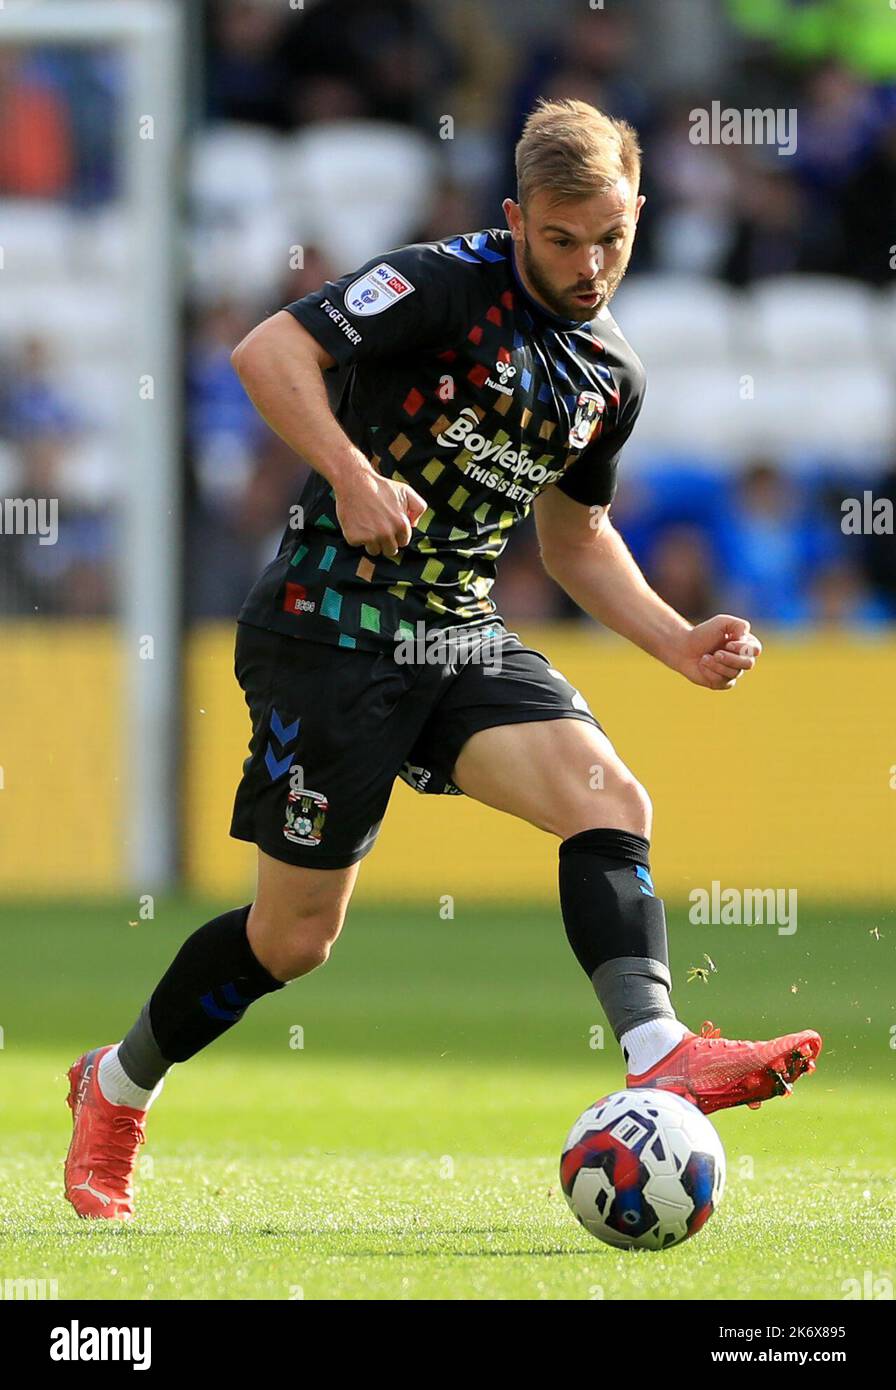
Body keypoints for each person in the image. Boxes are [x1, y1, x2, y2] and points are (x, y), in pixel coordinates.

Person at [64, 99, 821, 1221]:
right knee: (291, 941)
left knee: (606, 795)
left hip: (455, 630)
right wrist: (352, 472)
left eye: (607, 238)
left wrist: (672, 637)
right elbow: (266, 351)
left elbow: (572, 538)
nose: (585, 263)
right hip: (328, 624)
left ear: (638, 215)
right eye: (558, 239)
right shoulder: (438, 283)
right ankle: (114, 1089)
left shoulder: (608, 371)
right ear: (515, 217)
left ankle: (656, 1048)